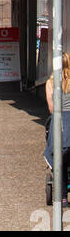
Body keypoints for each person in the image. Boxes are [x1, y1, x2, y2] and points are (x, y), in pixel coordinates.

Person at [45, 52, 70, 202]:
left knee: (59, 157)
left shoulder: (51, 83)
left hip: (60, 124)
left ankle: (62, 198)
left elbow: (51, 108)